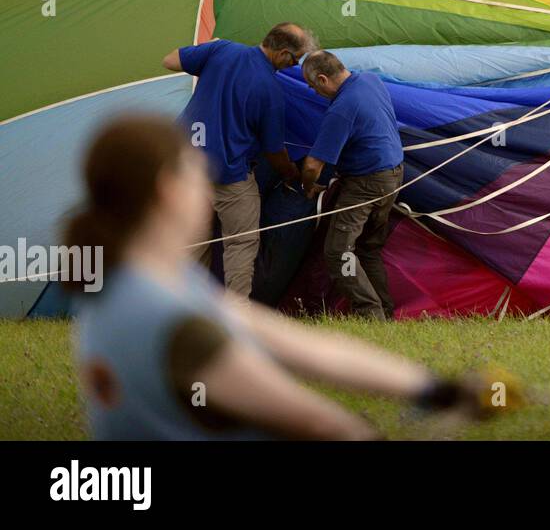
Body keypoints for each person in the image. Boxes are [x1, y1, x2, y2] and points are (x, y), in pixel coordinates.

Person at [64, 115, 484, 440]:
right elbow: (314, 420)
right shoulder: (171, 317)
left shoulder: (130, 286)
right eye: (198, 175)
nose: (207, 192)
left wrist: (430, 387)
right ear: (167, 189)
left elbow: (307, 348)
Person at [163, 23, 314, 298]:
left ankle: (184, 305)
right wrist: (292, 173)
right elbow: (274, 151)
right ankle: (236, 312)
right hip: (228, 175)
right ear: (281, 53)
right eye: (295, 59)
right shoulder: (270, 91)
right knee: (241, 241)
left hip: (184, 166)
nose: (294, 65)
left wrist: (205, 56)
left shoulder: (222, 49)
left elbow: (169, 60)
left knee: (192, 239)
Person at [299, 51, 404, 320]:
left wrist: (308, 186)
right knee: (368, 248)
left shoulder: (342, 108)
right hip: (393, 175)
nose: (314, 93)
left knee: (338, 252)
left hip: (366, 183)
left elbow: (313, 165)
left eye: (313, 86)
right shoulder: (371, 81)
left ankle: (370, 313)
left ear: (322, 79)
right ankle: (386, 311)